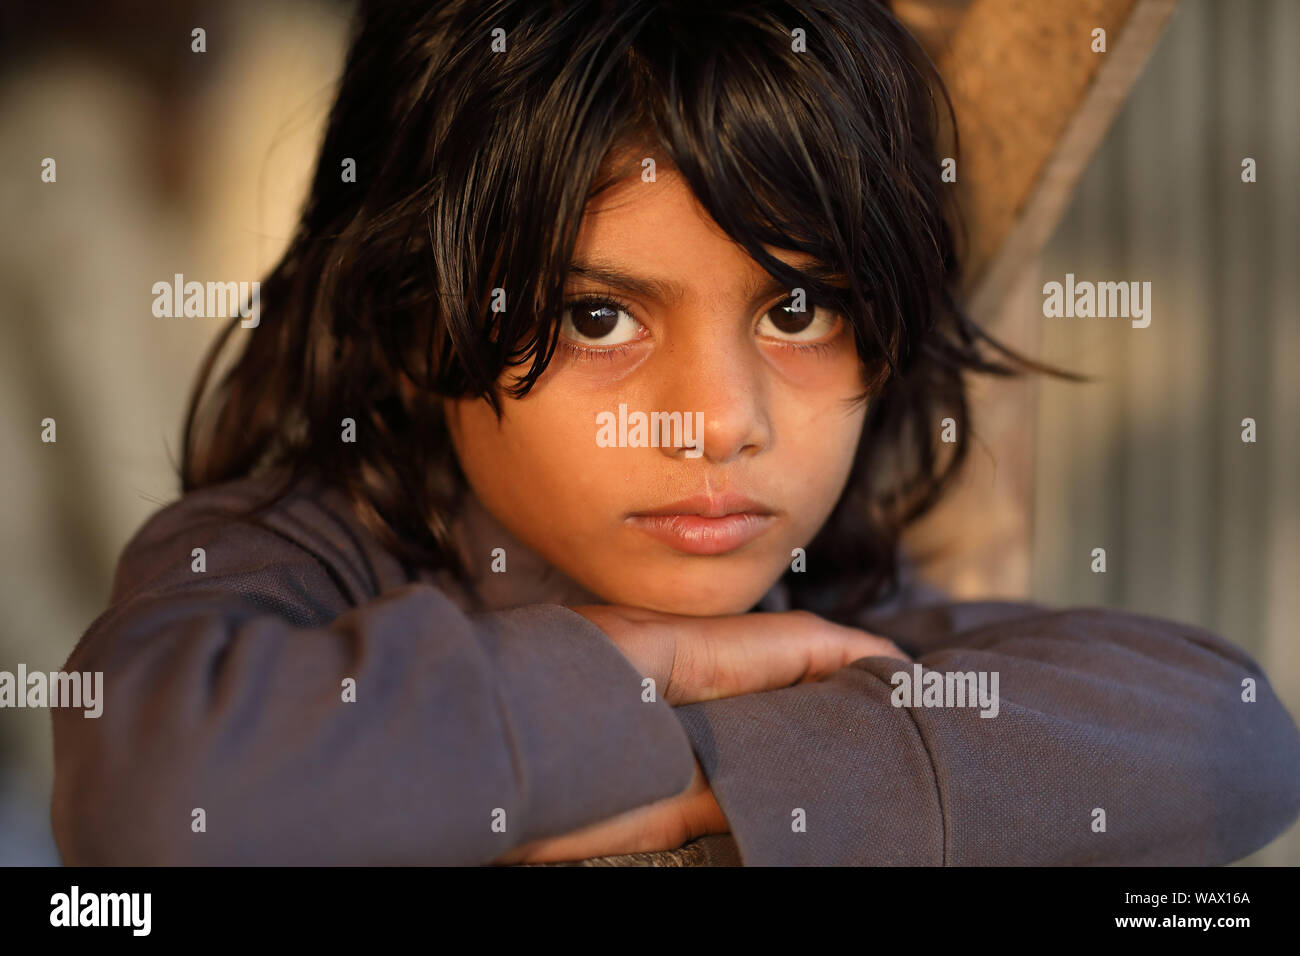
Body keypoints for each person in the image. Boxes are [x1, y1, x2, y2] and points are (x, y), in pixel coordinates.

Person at [51, 0, 1300, 866]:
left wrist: (688, 766)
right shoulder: (289, 562)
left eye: (797, 309)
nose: (722, 422)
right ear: (419, 326)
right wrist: (640, 665)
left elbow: (1225, 732)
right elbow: (167, 797)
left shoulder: (822, 602)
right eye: (598, 315)